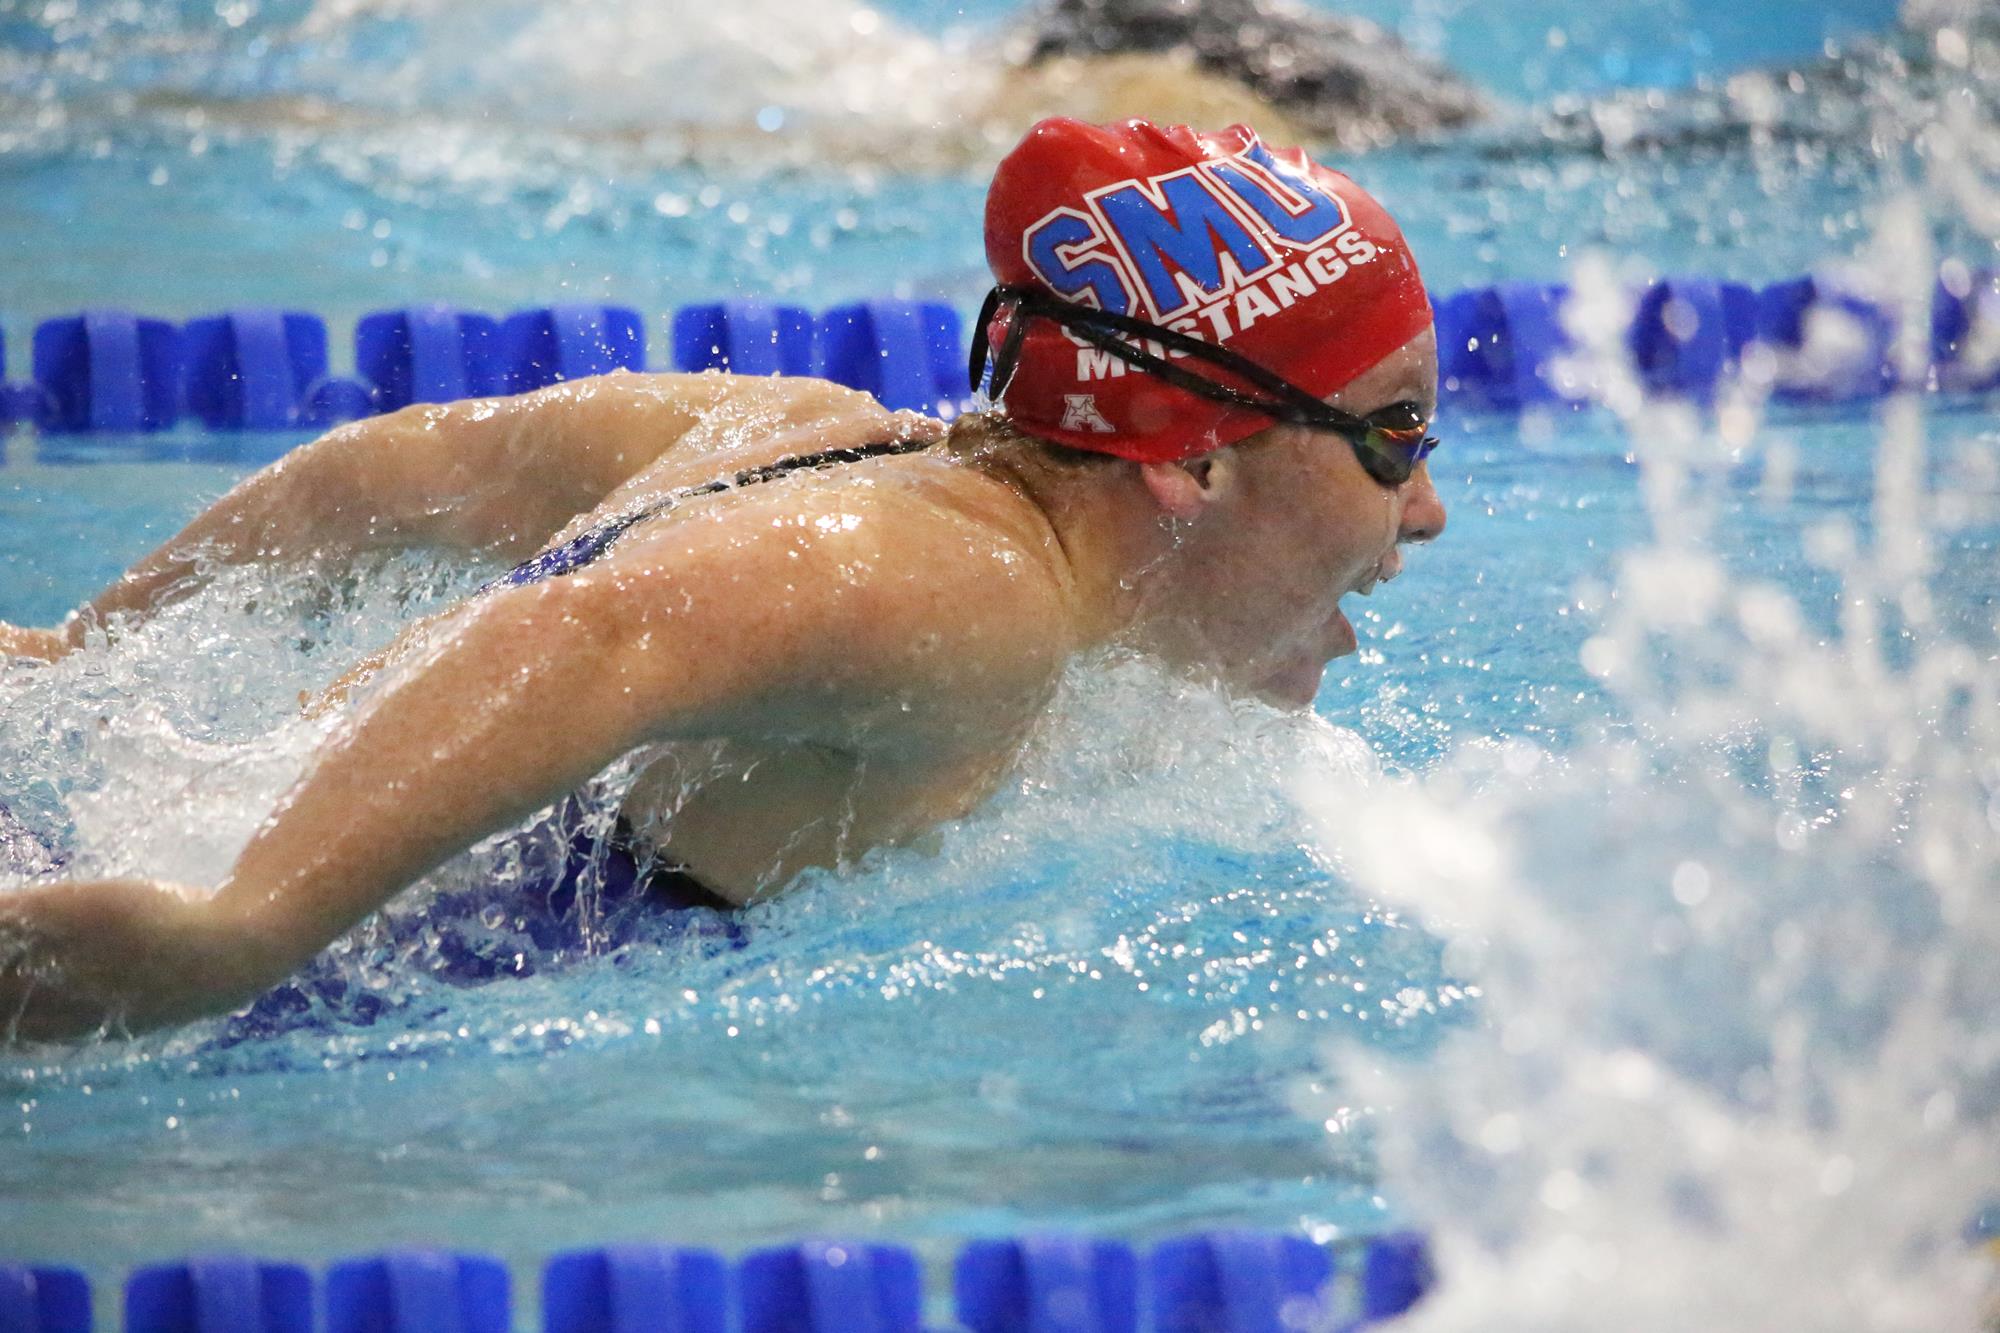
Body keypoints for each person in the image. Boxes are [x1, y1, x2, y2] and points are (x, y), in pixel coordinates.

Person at [0, 116, 1444, 1044]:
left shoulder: (814, 433)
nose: (1427, 510)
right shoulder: (975, 602)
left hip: (103, 837)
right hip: (206, 992)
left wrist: (84, 654)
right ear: (1195, 455)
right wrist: (236, 930)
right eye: (1393, 436)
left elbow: (397, 469)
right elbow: (595, 632)